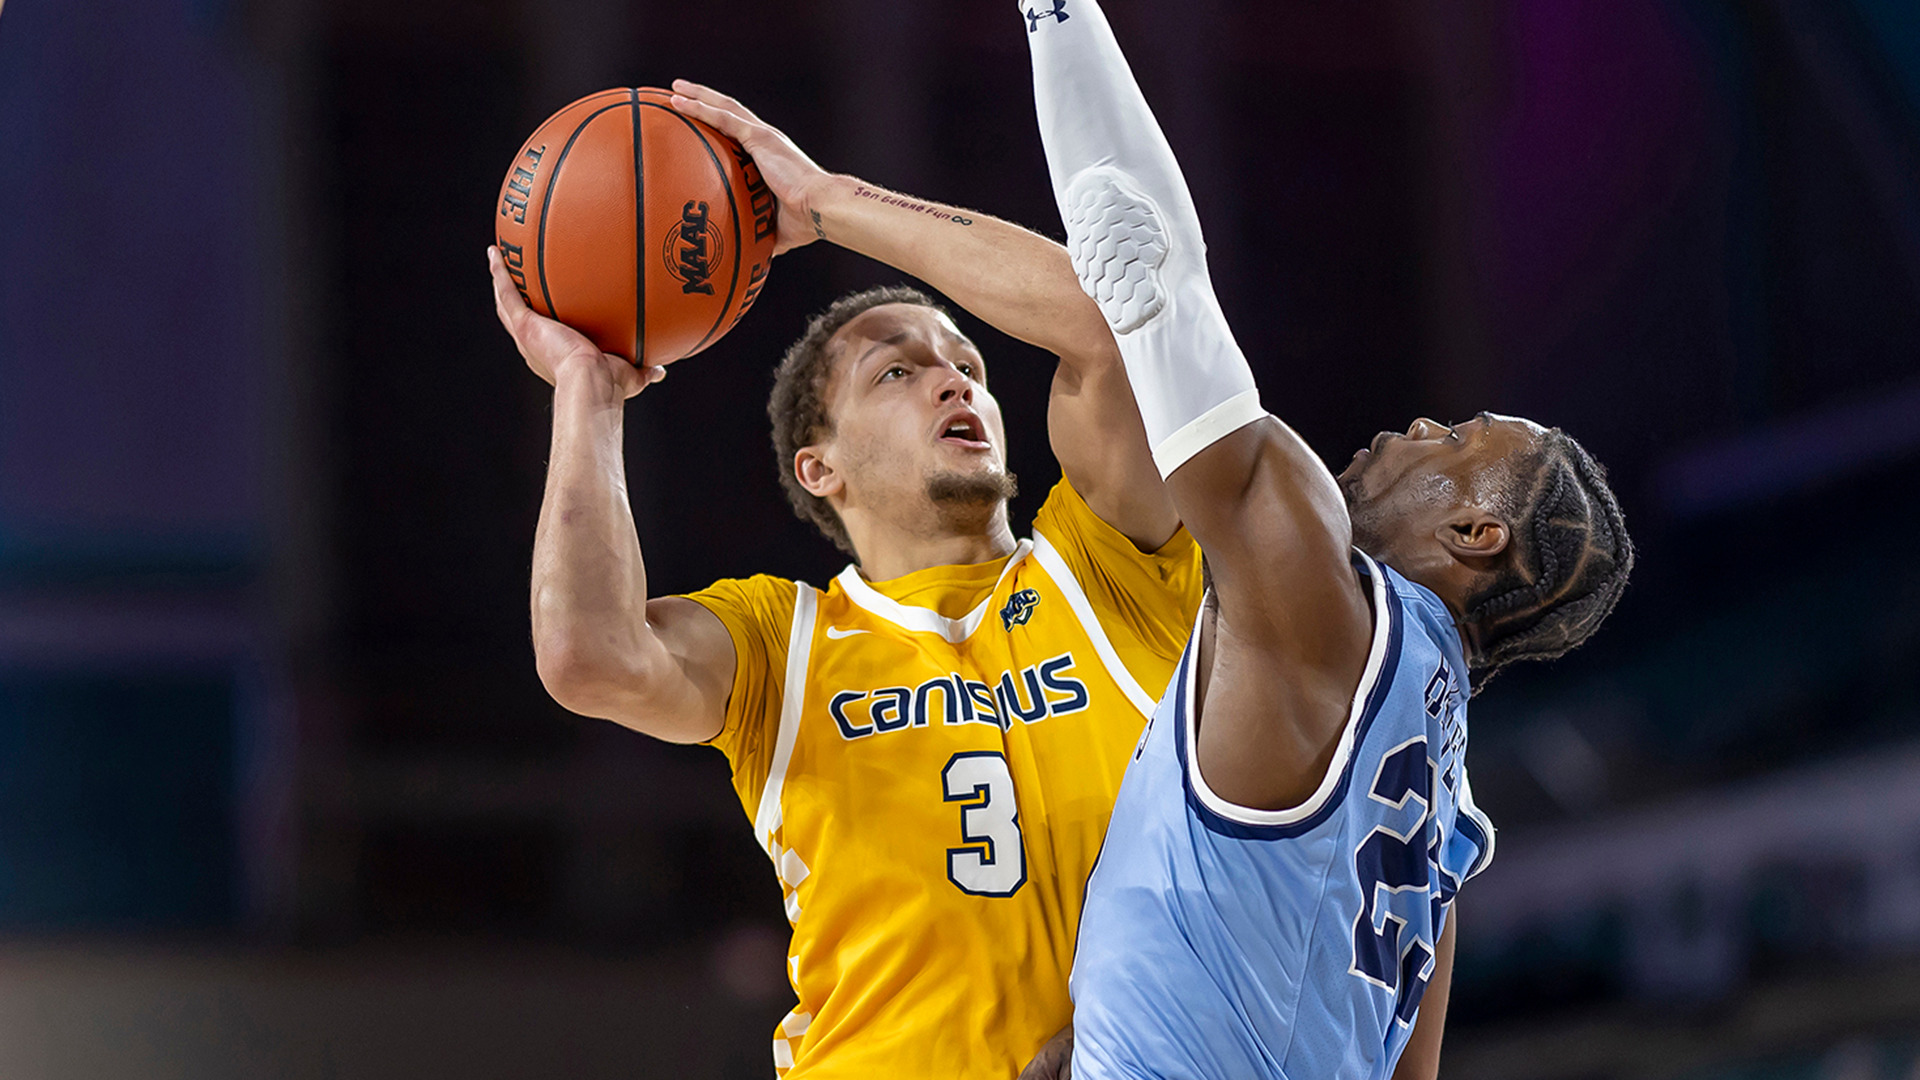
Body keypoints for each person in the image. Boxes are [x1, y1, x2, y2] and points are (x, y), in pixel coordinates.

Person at [486, 80, 1202, 1079]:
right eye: (897, 374)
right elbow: (589, 657)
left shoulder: (1111, 569)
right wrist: (589, 393)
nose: (956, 381)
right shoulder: (787, 643)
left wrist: (826, 204)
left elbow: (1107, 317)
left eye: (968, 367)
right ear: (820, 468)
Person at [1015, 3, 1635, 1078]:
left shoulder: (1326, 599)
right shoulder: (1450, 826)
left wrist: (1053, 15)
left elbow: (1159, 269)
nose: (1415, 428)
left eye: (1454, 439)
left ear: (1475, 531)